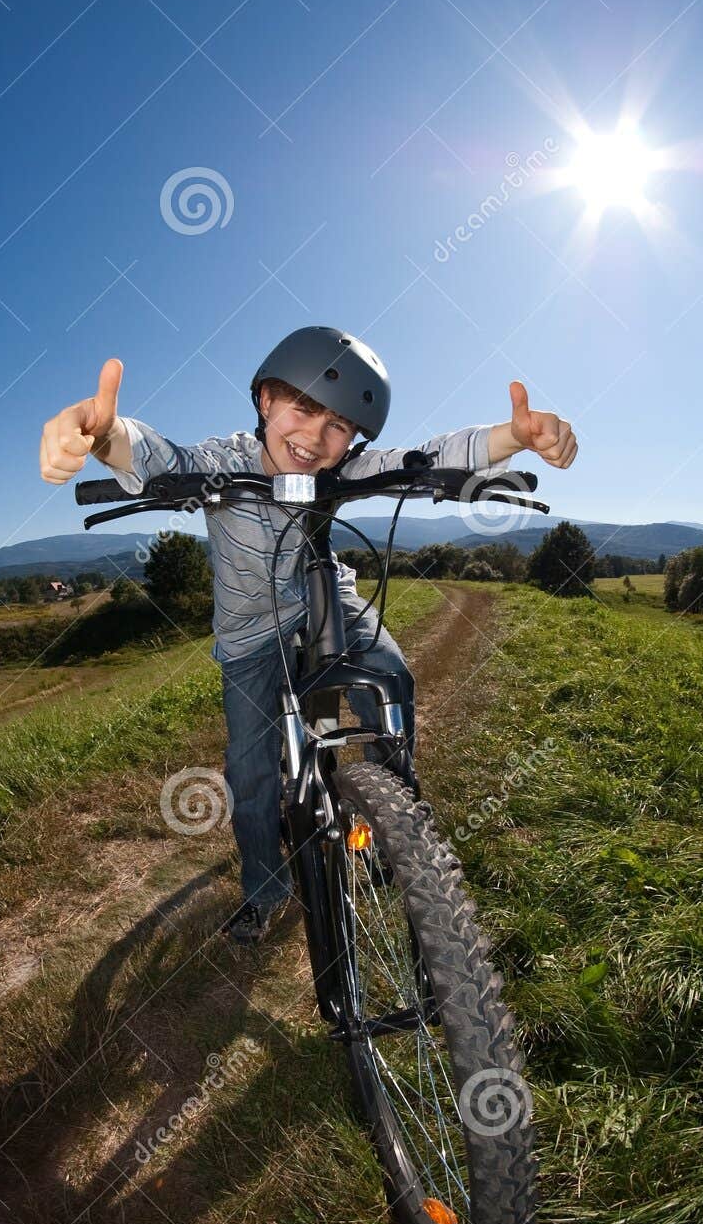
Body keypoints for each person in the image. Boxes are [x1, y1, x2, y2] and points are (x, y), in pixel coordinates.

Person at [39, 326, 577, 942]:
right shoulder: (226, 463)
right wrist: (104, 434)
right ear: (266, 400)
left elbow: (420, 459)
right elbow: (168, 460)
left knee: (389, 678)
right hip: (248, 633)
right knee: (251, 771)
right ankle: (265, 889)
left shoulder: (341, 468)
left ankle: (390, 826)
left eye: (339, 426)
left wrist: (512, 438)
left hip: (328, 599)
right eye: (302, 409)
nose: (315, 438)